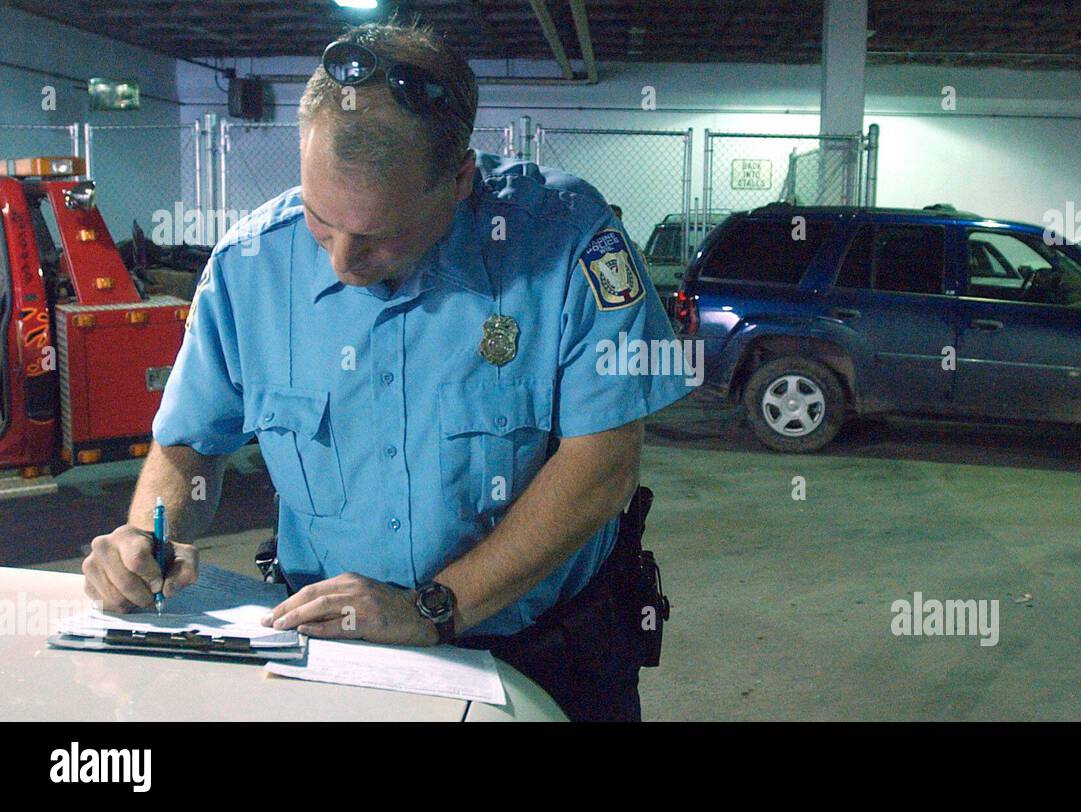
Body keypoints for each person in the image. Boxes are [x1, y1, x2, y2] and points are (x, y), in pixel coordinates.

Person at [79, 22, 690, 721]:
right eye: (319, 220)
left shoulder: (565, 242)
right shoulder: (250, 269)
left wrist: (436, 606)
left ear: (459, 180)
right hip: (335, 659)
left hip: (547, 658)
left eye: (377, 236)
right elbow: (189, 444)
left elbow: (604, 465)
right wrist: (155, 537)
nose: (340, 263)